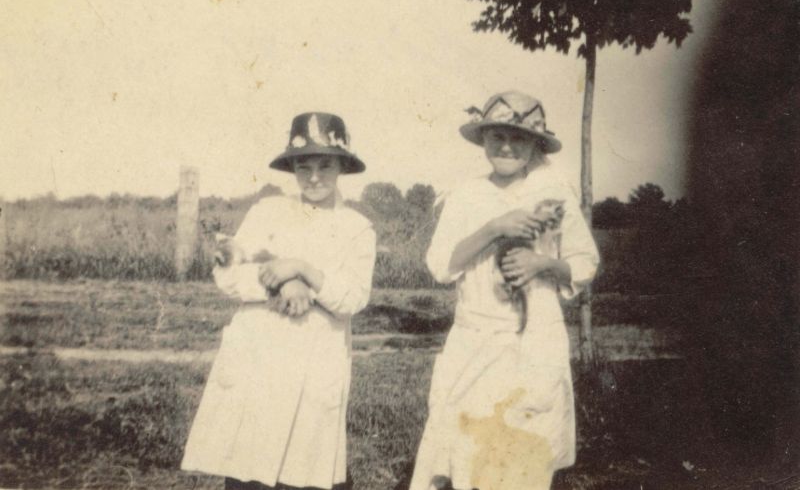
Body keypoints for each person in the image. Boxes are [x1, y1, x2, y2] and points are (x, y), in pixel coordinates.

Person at [409, 91, 599, 490]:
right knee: (465, 455)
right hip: (475, 338)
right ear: (484, 142)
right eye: (497, 137)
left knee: (522, 459)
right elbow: (441, 264)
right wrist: (495, 228)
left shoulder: (555, 195)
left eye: (520, 139)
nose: (508, 147)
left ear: (535, 147)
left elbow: (585, 263)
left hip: (533, 341)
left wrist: (543, 263)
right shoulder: (466, 195)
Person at [181, 112, 376, 490]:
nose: (315, 177)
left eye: (325, 166)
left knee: (307, 467)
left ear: (341, 168)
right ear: (292, 169)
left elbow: (353, 296)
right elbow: (229, 271)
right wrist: (280, 283)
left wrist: (303, 270)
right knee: (249, 463)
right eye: (305, 167)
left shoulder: (357, 228)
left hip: (315, 353)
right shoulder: (266, 211)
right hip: (261, 352)